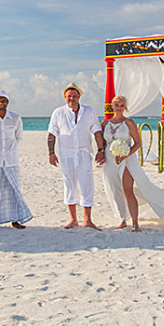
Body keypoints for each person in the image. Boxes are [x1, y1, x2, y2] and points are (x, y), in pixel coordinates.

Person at [101, 95, 164, 232]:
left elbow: (138, 143)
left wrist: (125, 154)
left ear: (125, 107)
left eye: (122, 105)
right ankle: (123, 218)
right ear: (112, 106)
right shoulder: (105, 124)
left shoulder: (129, 123)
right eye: (116, 104)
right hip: (110, 160)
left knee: (127, 190)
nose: (119, 107)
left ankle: (135, 223)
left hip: (127, 160)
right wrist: (102, 154)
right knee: (115, 189)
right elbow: (103, 143)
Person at [47, 83, 106, 230]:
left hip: (84, 153)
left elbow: (97, 130)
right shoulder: (58, 113)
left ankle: (88, 220)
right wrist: (51, 153)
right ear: (65, 97)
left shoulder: (89, 111)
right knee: (69, 185)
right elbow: (52, 133)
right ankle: (73, 219)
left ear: (79, 96)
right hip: (66, 154)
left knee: (87, 184)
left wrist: (101, 149)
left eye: (74, 96)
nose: (72, 98)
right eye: (69, 96)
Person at [0, 90, 32, 229]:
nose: (1, 103)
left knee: (12, 189)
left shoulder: (15, 118)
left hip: (11, 160)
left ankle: (15, 219)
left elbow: (18, 137)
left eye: (3, 101)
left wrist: (8, 150)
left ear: (7, 102)